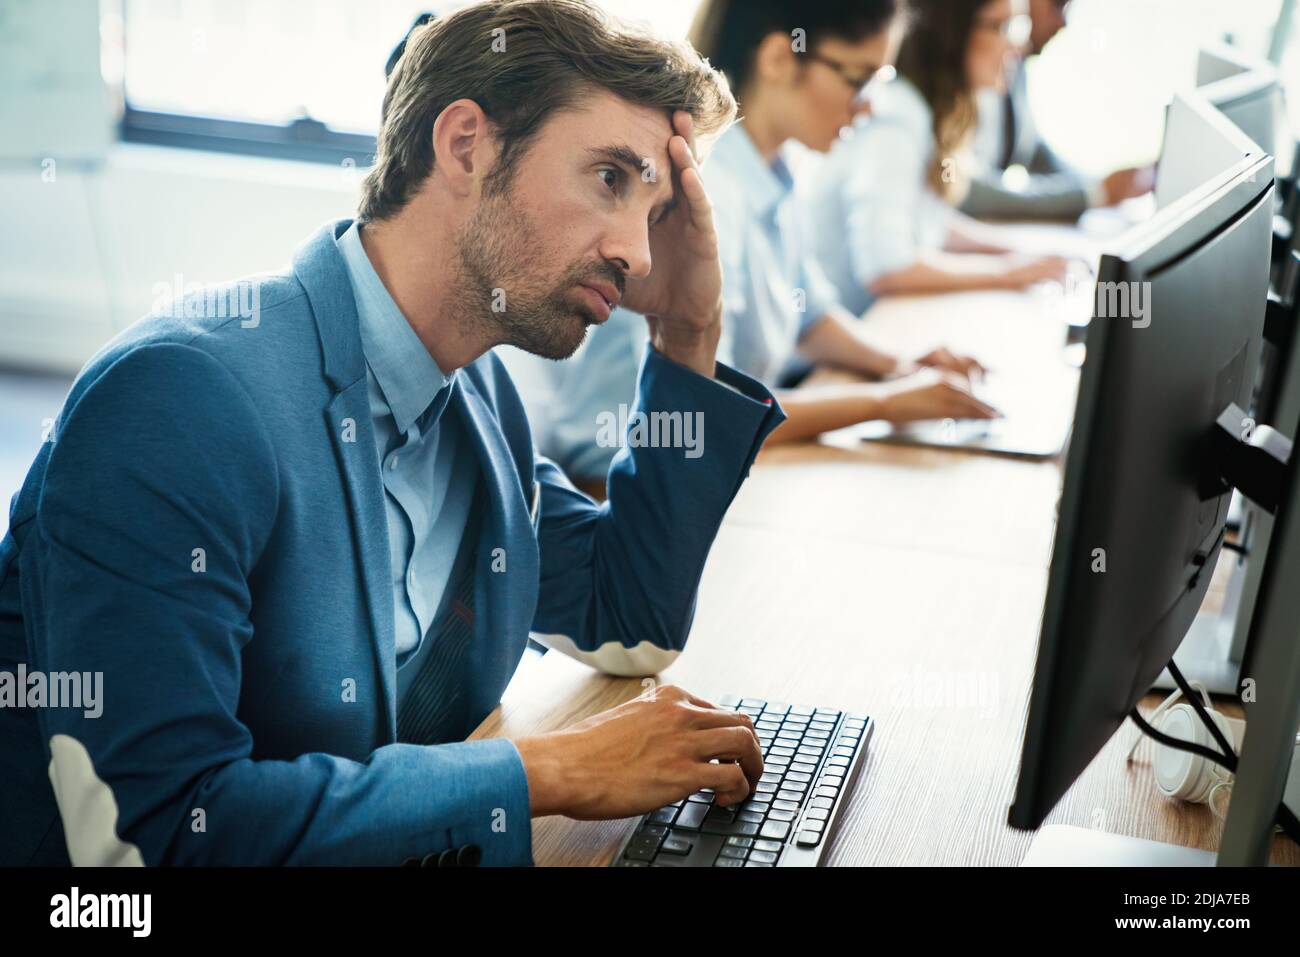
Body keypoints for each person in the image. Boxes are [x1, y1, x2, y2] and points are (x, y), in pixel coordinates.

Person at [0, 0, 775, 867]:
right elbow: (165, 834)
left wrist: (688, 331)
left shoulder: (474, 396)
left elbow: (628, 619)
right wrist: (534, 774)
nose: (636, 250)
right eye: (610, 179)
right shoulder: (180, 399)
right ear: (465, 145)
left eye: (655, 211)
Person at [546, 0, 996, 487]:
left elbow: (810, 316)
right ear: (781, 58)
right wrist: (886, 403)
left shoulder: (776, 173)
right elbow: (717, 407)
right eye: (859, 78)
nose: (868, 105)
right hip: (613, 485)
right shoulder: (706, 193)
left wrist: (902, 365)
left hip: (689, 469)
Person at [802, 0, 1073, 315]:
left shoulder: (927, 111)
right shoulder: (896, 121)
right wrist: (1012, 273)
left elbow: (929, 221)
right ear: (950, 35)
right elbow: (886, 266)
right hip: (833, 348)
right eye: (1002, 26)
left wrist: (1018, 251)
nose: (1019, 43)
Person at [961, 0, 1154, 221]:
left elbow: (1030, 148)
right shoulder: (935, 102)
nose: (1064, 21)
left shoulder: (1011, 70)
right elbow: (959, 187)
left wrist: (1100, 186)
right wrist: (1091, 195)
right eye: (1057, 4)